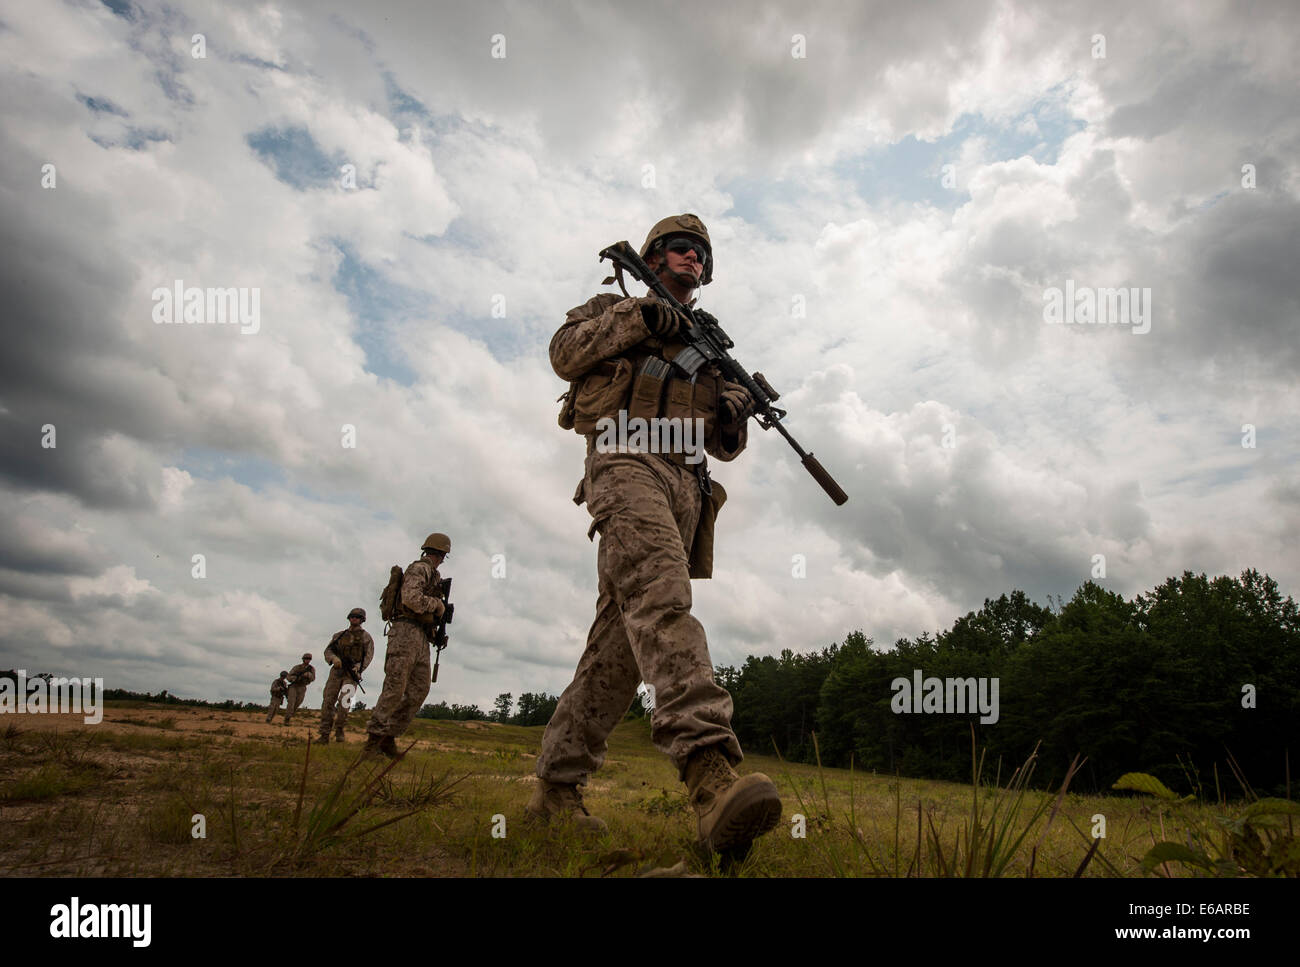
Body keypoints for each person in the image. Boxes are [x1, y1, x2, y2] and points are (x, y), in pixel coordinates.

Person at [530, 213, 782, 854]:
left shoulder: (713, 349)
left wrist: (733, 408)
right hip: (624, 459)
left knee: (617, 654)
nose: (691, 257)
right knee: (662, 595)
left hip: (686, 485)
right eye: (679, 247)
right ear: (653, 255)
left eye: (701, 252)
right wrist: (639, 320)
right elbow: (564, 354)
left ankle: (555, 792)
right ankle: (710, 774)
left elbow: (723, 449)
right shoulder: (615, 306)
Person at [364, 533, 450, 758]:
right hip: (405, 632)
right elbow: (410, 598)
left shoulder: (434, 575)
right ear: (441, 553)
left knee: (419, 689)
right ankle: (373, 741)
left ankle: (388, 737)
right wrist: (437, 604)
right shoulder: (419, 569)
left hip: (421, 636)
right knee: (395, 687)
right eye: (443, 555)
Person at [318, 609, 374, 743]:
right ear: (349, 618)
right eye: (352, 617)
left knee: (344, 703)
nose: (354, 619)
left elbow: (368, 656)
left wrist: (358, 668)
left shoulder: (366, 637)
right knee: (328, 702)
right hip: (336, 672)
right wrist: (333, 659)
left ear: (362, 620)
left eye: (357, 617)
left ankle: (339, 729)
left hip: (351, 674)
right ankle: (324, 734)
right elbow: (328, 650)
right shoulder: (339, 635)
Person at [281, 653, 315, 725]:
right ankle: (287, 719)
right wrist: (294, 678)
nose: (307, 660)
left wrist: (309, 675)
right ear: (303, 659)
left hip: (302, 687)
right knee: (291, 702)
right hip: (294, 686)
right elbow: (289, 676)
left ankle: (290, 715)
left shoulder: (311, 669)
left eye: (309, 659)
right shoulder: (297, 667)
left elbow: (313, 678)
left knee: (298, 702)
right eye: (306, 658)